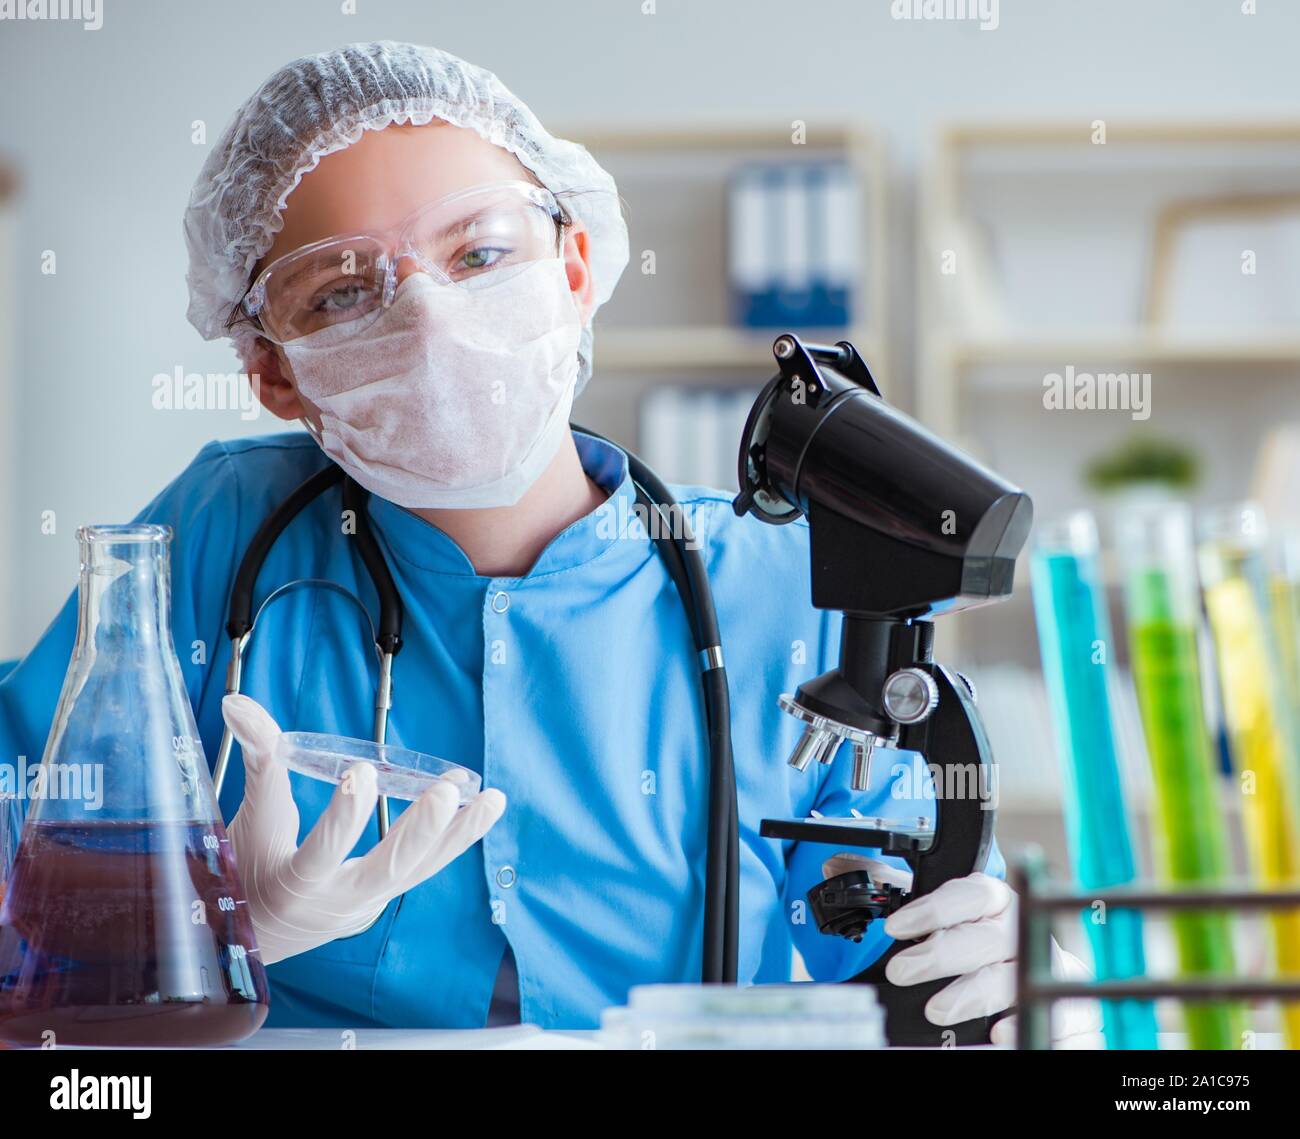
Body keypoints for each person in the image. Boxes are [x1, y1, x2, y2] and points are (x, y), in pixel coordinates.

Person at [0, 41, 1098, 1044]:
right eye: (343, 291)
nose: (429, 319)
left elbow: (894, 935)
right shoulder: (211, 539)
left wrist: (1002, 979)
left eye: (479, 251)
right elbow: (27, 935)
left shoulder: (790, 583)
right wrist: (210, 926)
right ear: (274, 369)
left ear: (573, 271)